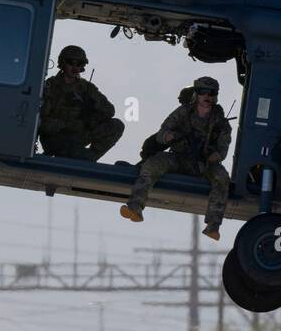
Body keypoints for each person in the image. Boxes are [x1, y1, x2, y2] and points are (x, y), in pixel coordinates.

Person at [122, 76, 232, 240]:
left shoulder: (220, 123)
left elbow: (222, 150)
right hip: (179, 158)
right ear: (196, 93)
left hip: (204, 164)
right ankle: (135, 207)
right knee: (153, 164)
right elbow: (161, 133)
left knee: (222, 178)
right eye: (203, 92)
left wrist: (209, 158)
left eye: (211, 93)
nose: (207, 96)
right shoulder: (183, 113)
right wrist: (170, 136)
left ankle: (213, 226)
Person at [38, 45, 124, 161]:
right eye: (71, 62)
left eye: (79, 64)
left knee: (116, 125)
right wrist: (67, 124)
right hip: (57, 138)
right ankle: (78, 156)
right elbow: (41, 121)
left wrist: (90, 116)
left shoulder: (87, 88)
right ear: (63, 63)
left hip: (79, 136)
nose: (75, 67)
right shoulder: (50, 86)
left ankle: (89, 158)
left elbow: (109, 110)